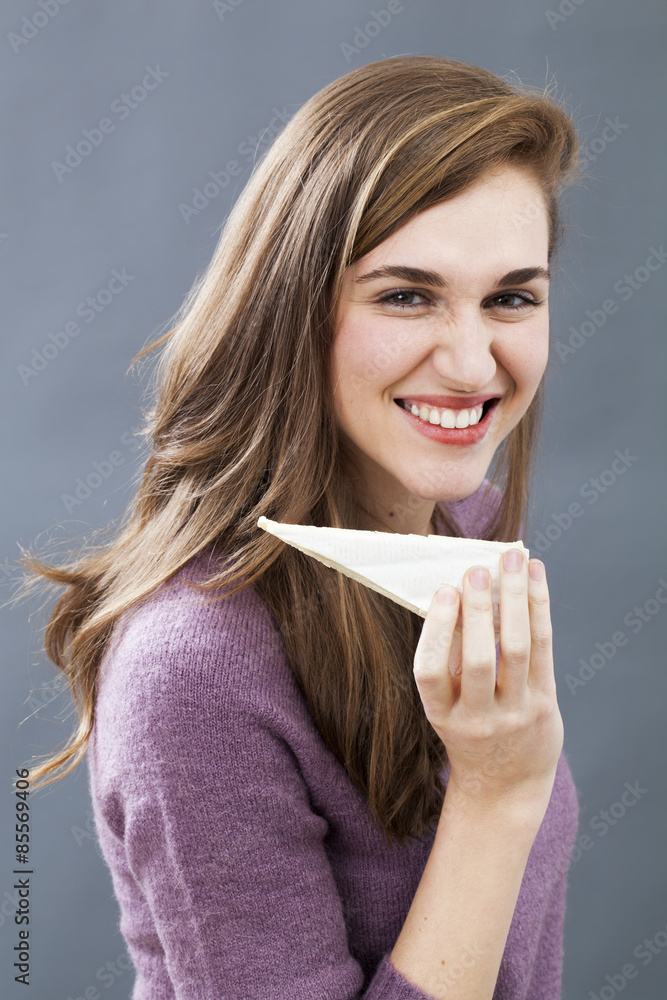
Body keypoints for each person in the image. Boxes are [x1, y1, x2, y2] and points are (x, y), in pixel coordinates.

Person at [16, 55, 583, 999]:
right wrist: (495, 795)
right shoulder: (190, 666)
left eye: (511, 298)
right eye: (406, 294)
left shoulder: (456, 548)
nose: (473, 358)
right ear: (292, 310)